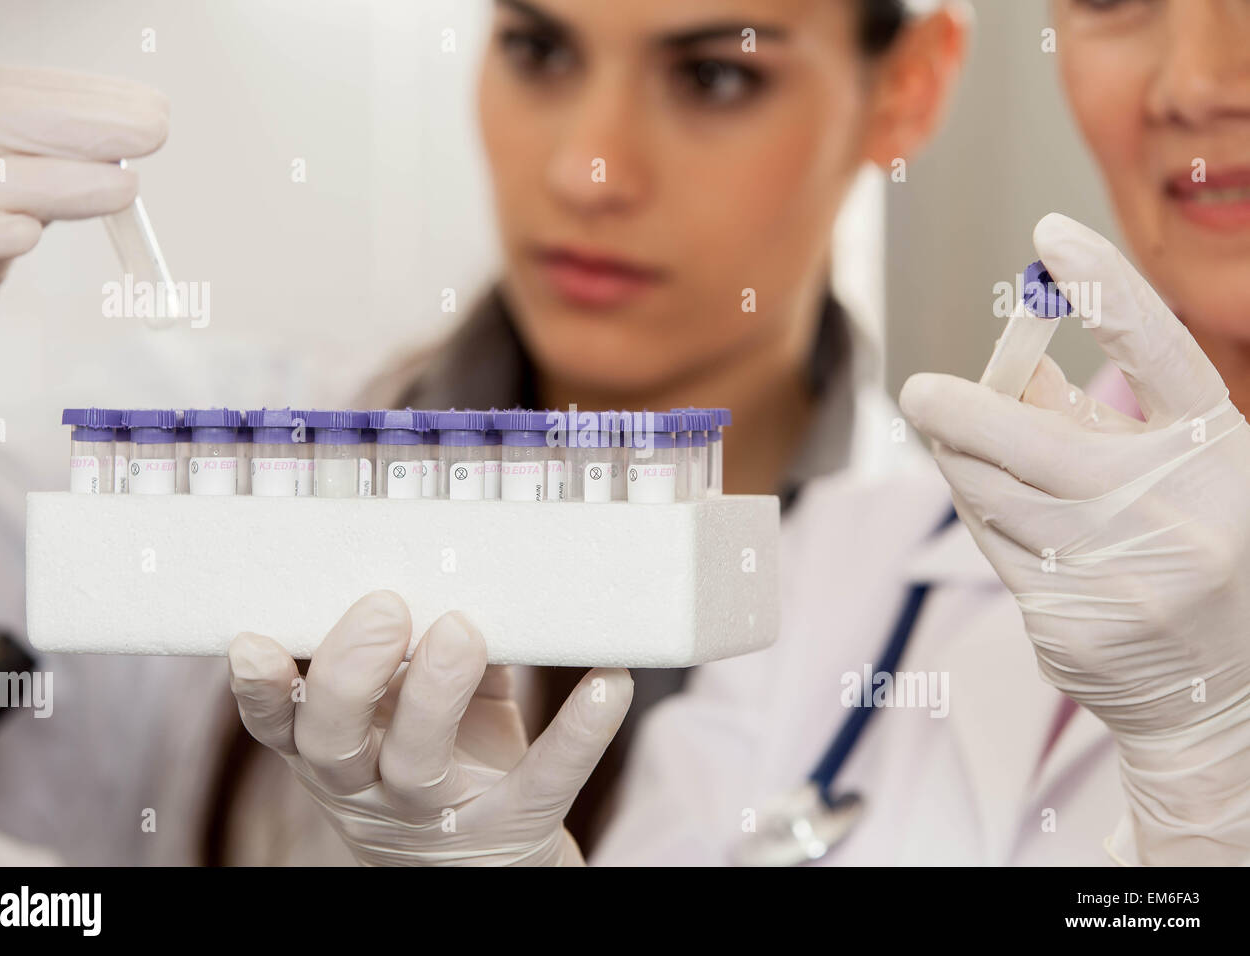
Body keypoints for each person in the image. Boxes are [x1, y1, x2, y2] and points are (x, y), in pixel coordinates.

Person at [232, 0, 1250, 866]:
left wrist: (1217, 792)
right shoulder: (838, 565)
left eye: (716, 76)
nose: (1198, 82)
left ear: (909, 85)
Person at [0, 0, 970, 864]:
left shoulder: (992, 625)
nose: (588, 169)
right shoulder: (204, 465)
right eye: (538, 50)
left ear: (906, 89)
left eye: (712, 76)